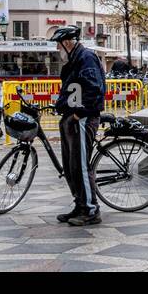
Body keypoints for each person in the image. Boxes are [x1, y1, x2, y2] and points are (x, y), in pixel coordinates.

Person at [52, 25, 105, 226]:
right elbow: (73, 88)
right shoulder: (75, 59)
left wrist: (77, 114)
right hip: (72, 117)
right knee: (71, 166)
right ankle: (80, 203)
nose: (58, 49)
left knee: (81, 166)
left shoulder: (86, 58)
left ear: (67, 43)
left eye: (59, 45)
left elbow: (93, 89)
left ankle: (91, 210)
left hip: (82, 118)